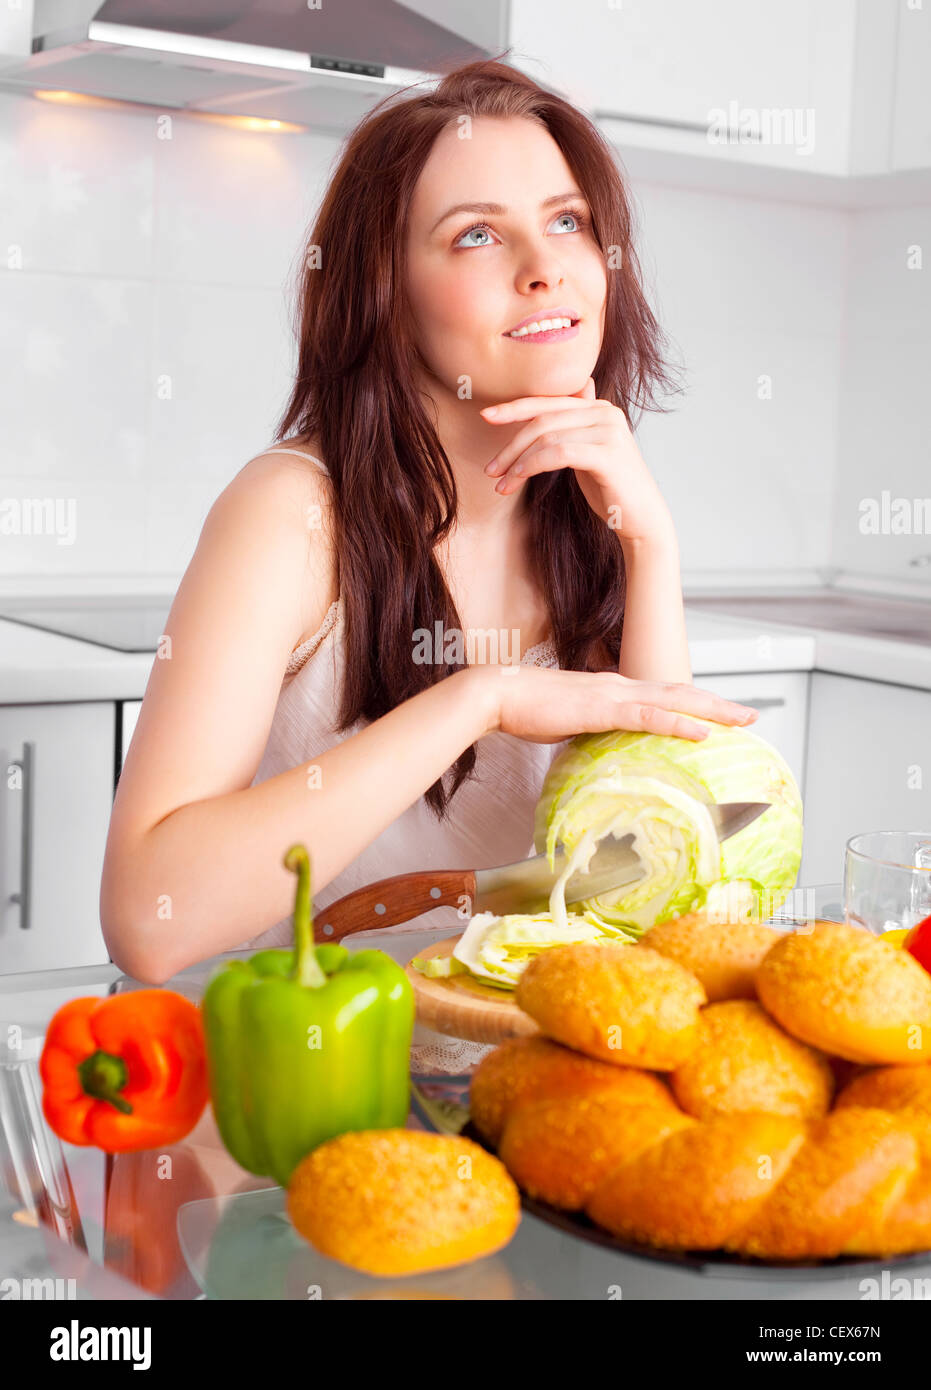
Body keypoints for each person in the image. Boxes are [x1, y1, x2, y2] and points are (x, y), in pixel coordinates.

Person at [100, 60, 758, 985]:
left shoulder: (593, 507)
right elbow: (147, 921)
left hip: (490, 1072)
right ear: (384, 291)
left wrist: (652, 548)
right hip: (297, 1073)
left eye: (567, 221)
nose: (546, 269)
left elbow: (644, 877)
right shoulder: (293, 513)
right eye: (477, 234)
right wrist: (476, 700)